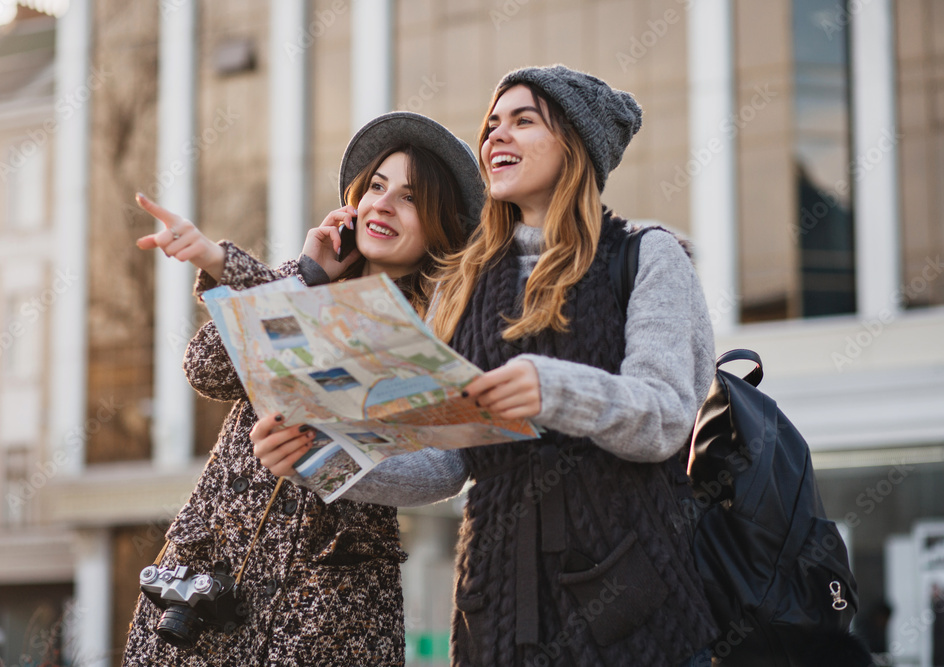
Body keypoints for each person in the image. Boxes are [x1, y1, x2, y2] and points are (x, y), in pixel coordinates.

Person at [254, 65, 720, 666]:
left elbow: (665, 417)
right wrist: (319, 460)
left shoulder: (645, 256)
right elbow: (447, 462)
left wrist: (552, 388)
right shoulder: (465, 283)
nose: (497, 135)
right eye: (492, 124)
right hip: (494, 618)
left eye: (524, 121)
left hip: (633, 614)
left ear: (576, 147)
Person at [120, 112, 483, 666]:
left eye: (408, 197)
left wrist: (322, 461)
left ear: (442, 224)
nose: (382, 204)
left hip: (328, 604)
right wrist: (305, 274)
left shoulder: (446, 326)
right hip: (206, 578)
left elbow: (446, 468)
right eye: (376, 187)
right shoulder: (308, 288)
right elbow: (207, 368)